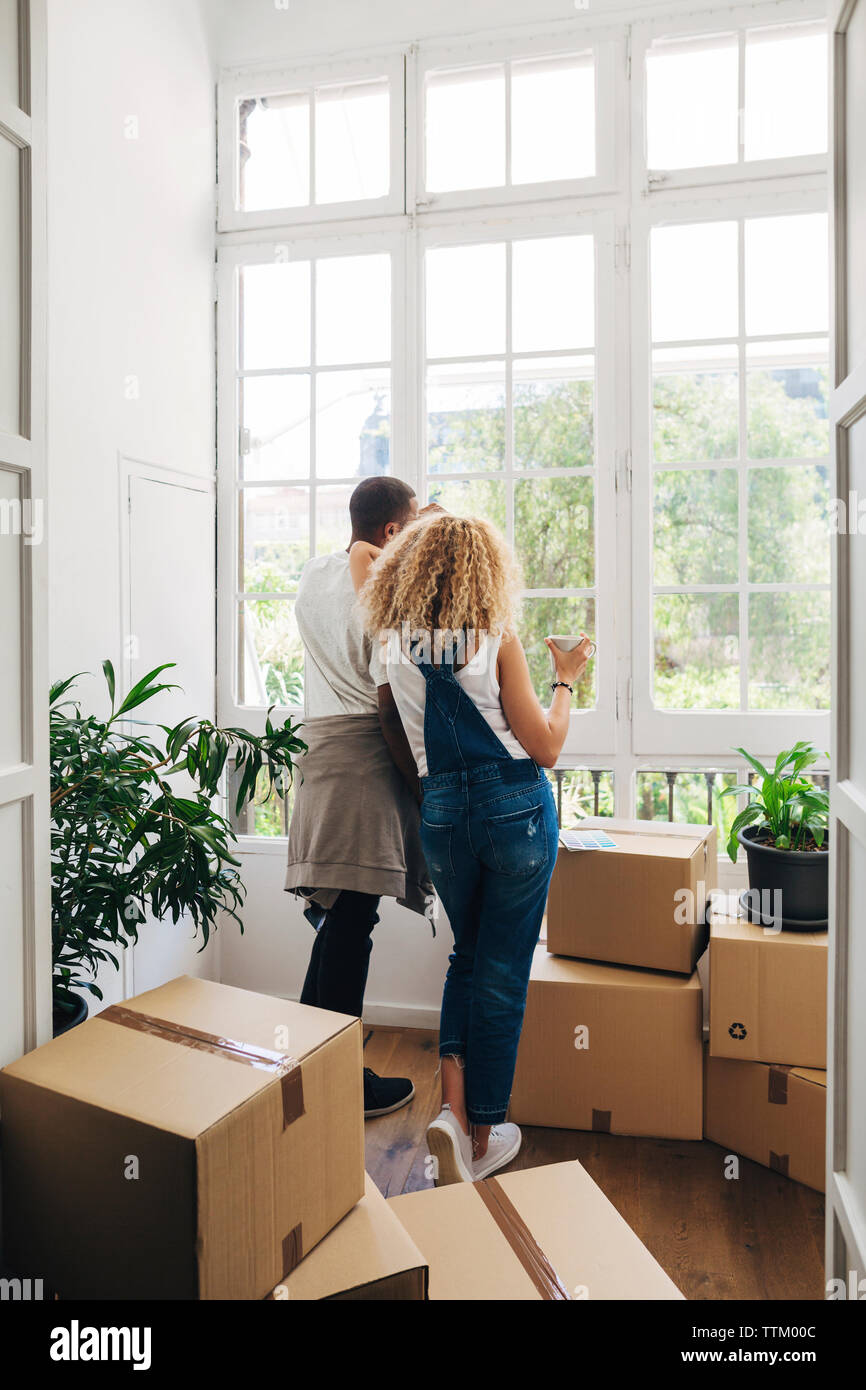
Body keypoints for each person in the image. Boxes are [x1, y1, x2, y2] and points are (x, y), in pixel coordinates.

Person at [352, 513, 593, 1182]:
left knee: (467, 955)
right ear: (482, 570)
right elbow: (545, 746)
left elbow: (405, 735)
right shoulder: (494, 639)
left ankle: (453, 1119)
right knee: (502, 970)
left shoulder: (392, 645)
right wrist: (567, 679)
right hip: (514, 811)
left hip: (445, 816)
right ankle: (485, 1136)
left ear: (411, 567)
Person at [286, 476, 434, 1119]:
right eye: (412, 533)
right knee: (352, 926)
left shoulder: (312, 574)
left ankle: (304, 1067)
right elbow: (388, 706)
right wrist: (421, 785)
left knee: (340, 922)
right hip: (364, 765)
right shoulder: (375, 592)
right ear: (391, 534)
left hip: (318, 758)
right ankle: (339, 1081)